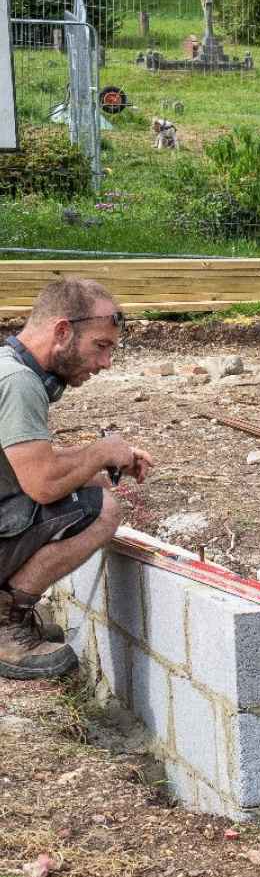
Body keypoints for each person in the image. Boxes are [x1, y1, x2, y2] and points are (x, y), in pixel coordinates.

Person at [0, 279, 152, 680]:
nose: (105, 363)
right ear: (63, 331)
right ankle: (4, 625)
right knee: (103, 509)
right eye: (101, 346)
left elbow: (26, 463)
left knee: (94, 486)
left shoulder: (9, 367)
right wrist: (100, 452)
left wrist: (104, 463)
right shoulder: (18, 383)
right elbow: (43, 484)